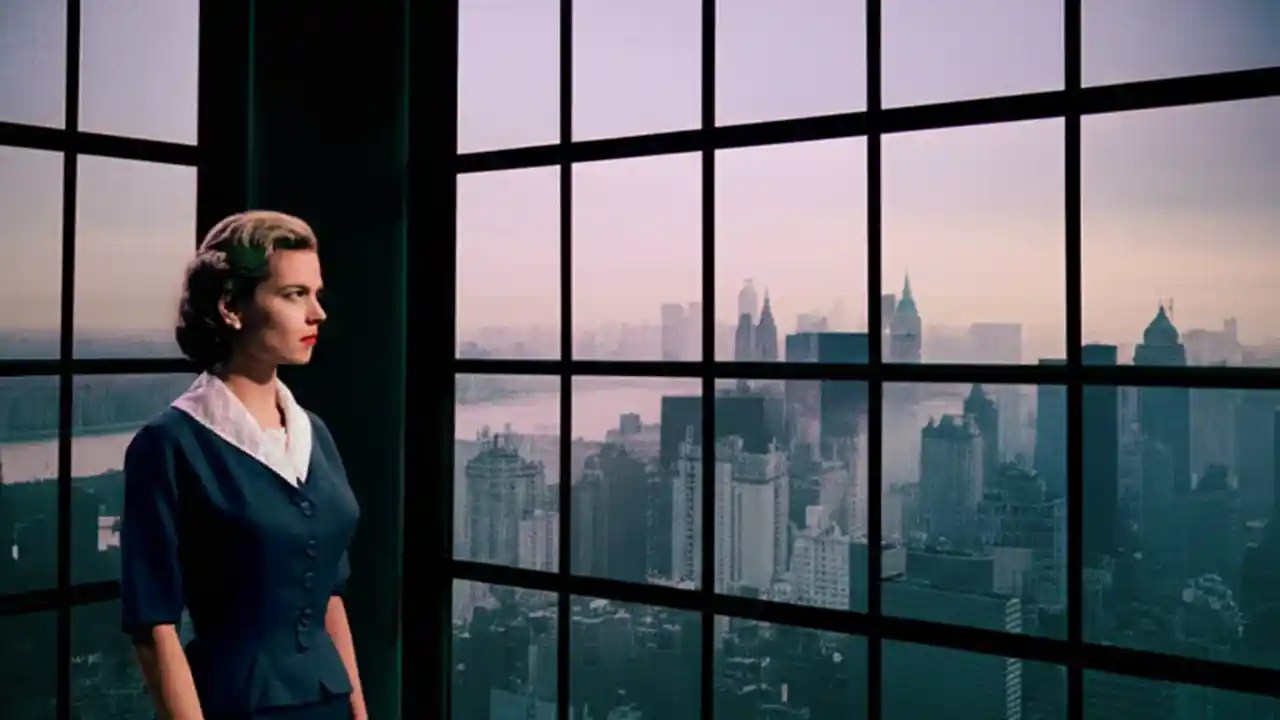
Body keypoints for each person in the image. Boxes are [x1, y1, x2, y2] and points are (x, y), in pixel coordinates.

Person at [119, 210, 366, 719]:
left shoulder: (313, 433)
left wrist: (360, 714)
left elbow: (329, 600)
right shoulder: (169, 445)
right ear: (231, 305)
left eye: (316, 294)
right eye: (295, 294)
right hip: (238, 706)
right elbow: (153, 626)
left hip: (329, 703)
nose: (317, 313)